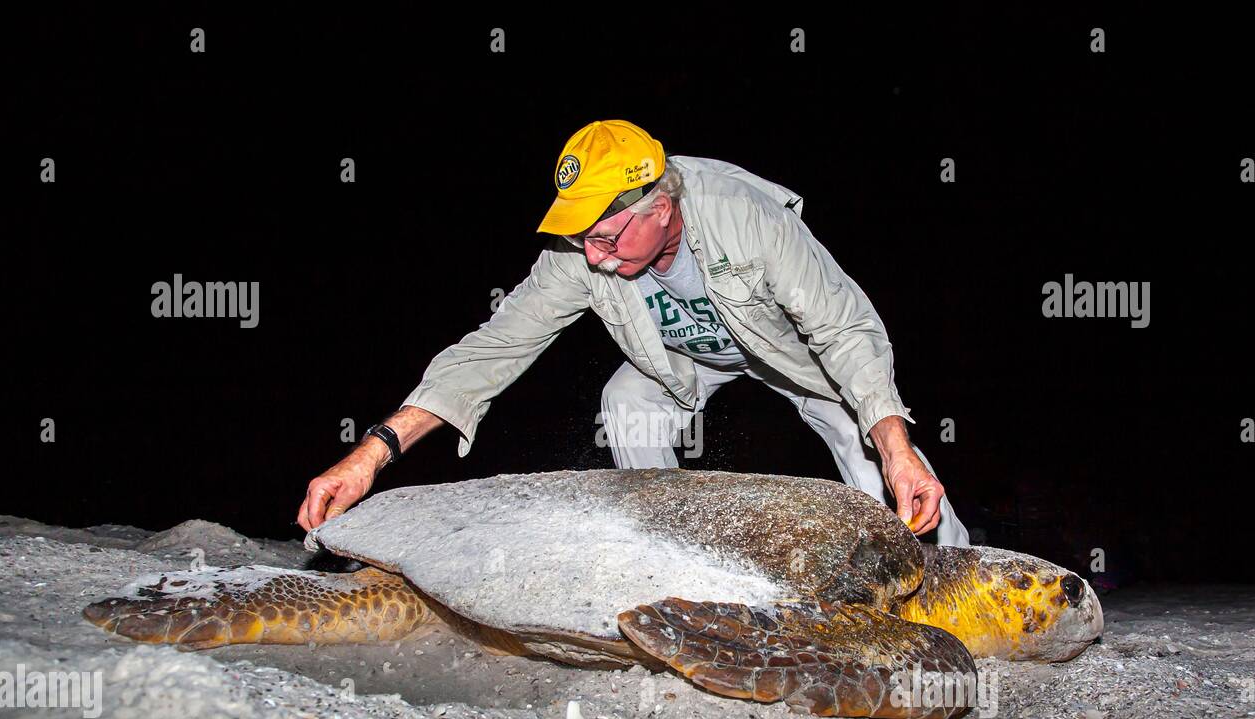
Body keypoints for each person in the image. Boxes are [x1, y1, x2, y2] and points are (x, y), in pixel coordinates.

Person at [298, 119, 969, 546]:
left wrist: (897, 447)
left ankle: (957, 577)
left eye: (604, 236)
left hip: (790, 351)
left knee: (870, 443)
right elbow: (492, 348)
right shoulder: (580, 254)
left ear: (664, 206)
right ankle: (675, 566)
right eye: (578, 236)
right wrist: (371, 455)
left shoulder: (745, 218)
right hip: (684, 359)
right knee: (626, 403)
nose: (590, 256)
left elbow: (843, 329)